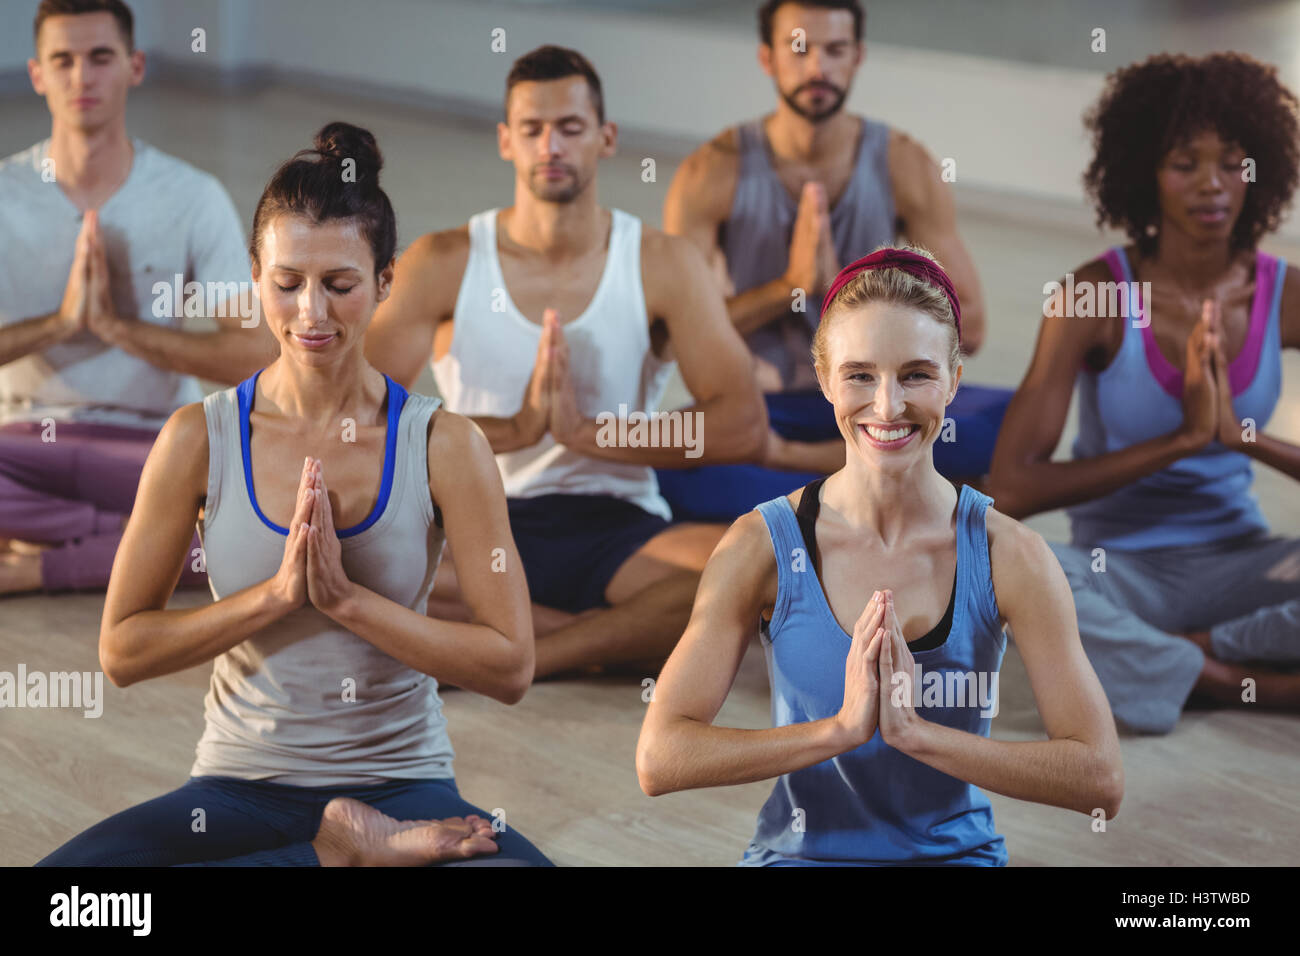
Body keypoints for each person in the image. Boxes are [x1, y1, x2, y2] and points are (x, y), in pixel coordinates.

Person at [37, 122, 552, 867]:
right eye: (287, 284)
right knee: (72, 902)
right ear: (256, 278)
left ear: (384, 281)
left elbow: (511, 666)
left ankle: (348, 847)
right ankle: (337, 855)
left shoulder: (446, 446)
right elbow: (122, 649)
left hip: (404, 789)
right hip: (236, 788)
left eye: (339, 285)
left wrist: (348, 602)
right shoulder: (197, 438)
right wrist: (275, 598)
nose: (311, 314)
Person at [636, 245, 1122, 866]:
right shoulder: (762, 545)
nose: (888, 407)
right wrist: (837, 731)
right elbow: (661, 758)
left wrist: (918, 736)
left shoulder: (1010, 554)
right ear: (823, 379)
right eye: (860, 375)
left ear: (954, 379)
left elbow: (1099, 776)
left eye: (916, 374)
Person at [364, 45, 767, 680]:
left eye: (570, 128)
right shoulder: (443, 262)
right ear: (506, 140)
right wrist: (515, 432)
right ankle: (605, 641)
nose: (551, 145)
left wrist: (591, 434)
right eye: (532, 129)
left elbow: (743, 423)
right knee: (339, 558)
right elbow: (362, 420)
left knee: (759, 569)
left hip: (615, 524)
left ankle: (520, 654)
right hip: (476, 515)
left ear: (606, 138)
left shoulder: (662, 263)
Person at [985, 52, 1300, 734]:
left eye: (1231, 162)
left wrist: (1240, 436)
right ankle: (1244, 684)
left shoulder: (1287, 294)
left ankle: (1194, 655)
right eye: (1185, 164)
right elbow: (1009, 489)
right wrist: (1179, 441)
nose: (1212, 185)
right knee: (1000, 561)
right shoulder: (1092, 296)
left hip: (1240, 565)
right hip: (1117, 572)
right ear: (1145, 175)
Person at [655, 0, 1013, 522]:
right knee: (656, 470)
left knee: (1008, 425)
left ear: (858, 56)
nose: (817, 68)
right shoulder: (710, 173)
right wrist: (790, 286)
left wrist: (853, 291)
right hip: (764, 411)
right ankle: (857, 483)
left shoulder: (903, 163)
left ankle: (799, 475)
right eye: (799, 49)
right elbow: (669, 338)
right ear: (767, 58)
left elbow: (973, 327)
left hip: (875, 399)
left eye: (835, 50)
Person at [0, 0, 278, 596]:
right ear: (37, 75)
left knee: (271, 525)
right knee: (224, 547)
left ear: (136, 66)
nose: (82, 78)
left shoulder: (191, 196)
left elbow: (255, 352)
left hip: (152, 445)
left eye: (101, 57)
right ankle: (151, 540)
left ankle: (42, 559)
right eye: (63, 60)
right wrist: (61, 324)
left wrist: (121, 329)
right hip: (23, 441)